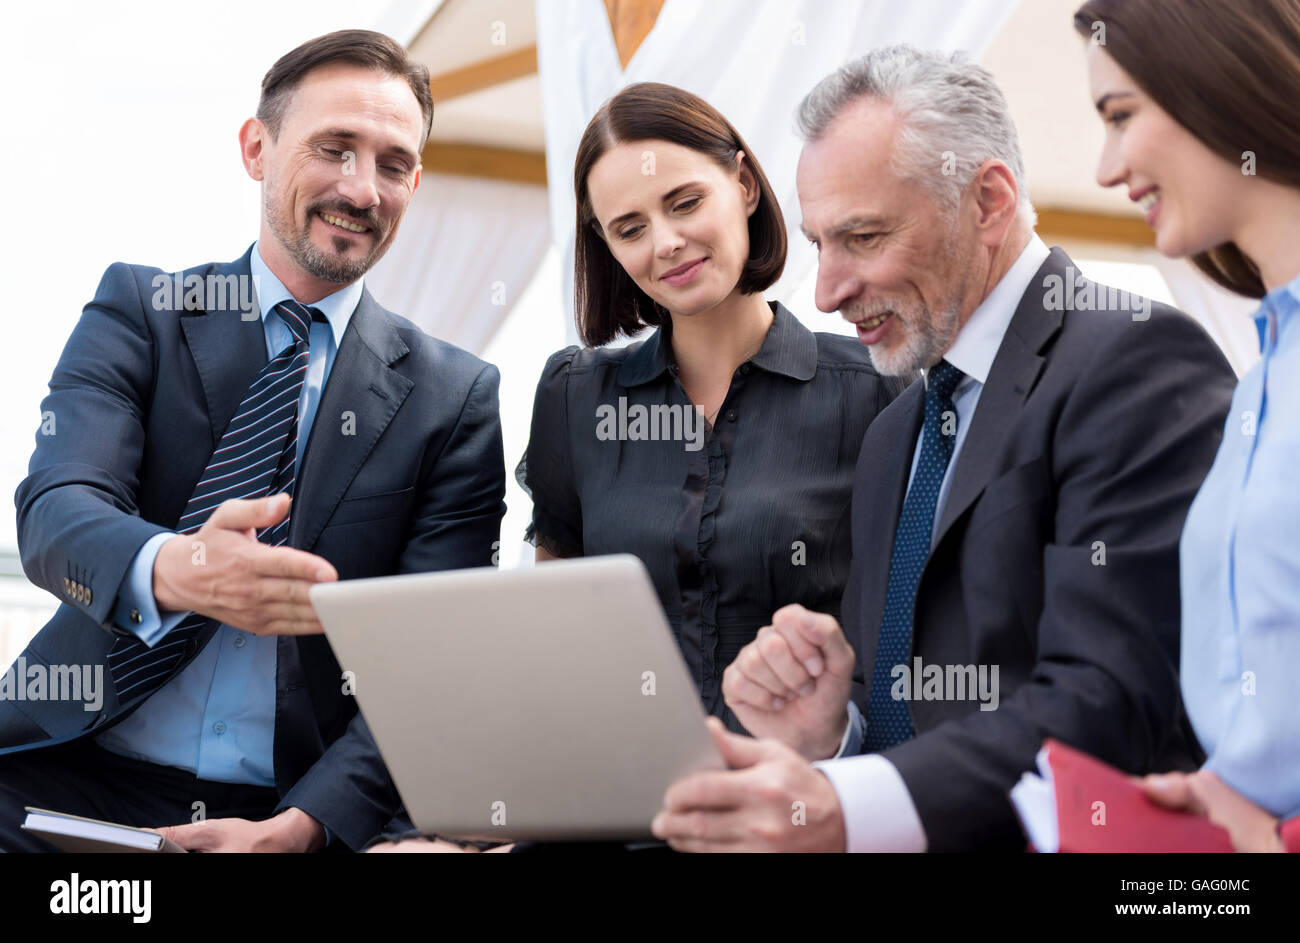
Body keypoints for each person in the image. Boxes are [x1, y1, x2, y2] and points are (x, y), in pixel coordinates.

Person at [650, 45, 1237, 852]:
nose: (827, 289)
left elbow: (1109, 699)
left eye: (862, 236)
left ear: (988, 199)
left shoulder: (1134, 360)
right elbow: (914, 718)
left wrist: (843, 806)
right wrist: (832, 732)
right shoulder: (898, 428)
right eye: (820, 242)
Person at [0, 30, 506, 852]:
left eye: (390, 163)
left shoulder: (456, 399)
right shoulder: (142, 310)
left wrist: (302, 829)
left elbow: (429, 668)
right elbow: (57, 512)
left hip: (289, 809)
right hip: (63, 774)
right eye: (334, 147)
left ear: (415, 182)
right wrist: (179, 568)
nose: (360, 187)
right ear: (256, 148)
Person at [517, 82, 902, 732]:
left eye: (684, 202)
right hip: (619, 804)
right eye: (630, 227)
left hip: (798, 803)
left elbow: (903, 640)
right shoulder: (572, 397)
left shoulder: (877, 389)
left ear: (744, 186)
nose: (664, 242)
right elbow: (555, 640)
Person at [1076, 0, 1300, 853]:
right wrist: (1220, 791)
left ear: (1222, 79)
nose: (1104, 167)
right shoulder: (1258, 383)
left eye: (1121, 117)